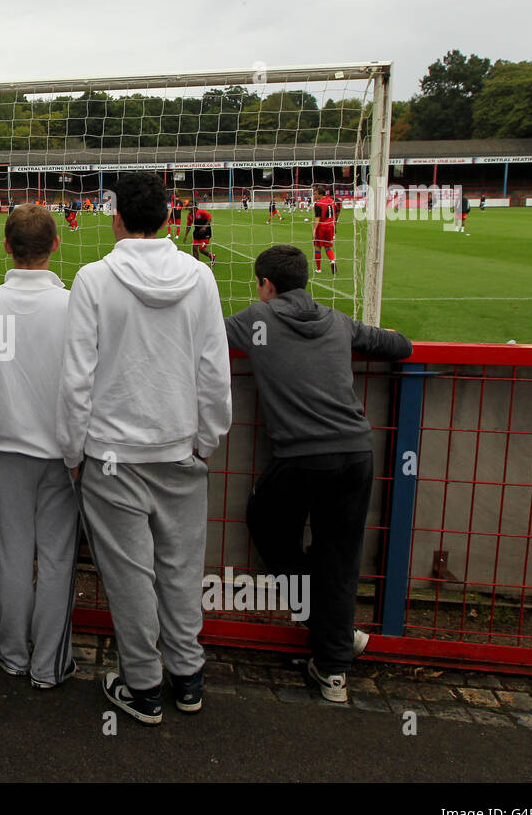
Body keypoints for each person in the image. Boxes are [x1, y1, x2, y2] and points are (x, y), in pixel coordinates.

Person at [58, 171, 232, 725]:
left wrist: (72, 450)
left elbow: (76, 376)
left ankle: (145, 685)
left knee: (130, 576)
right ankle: (187, 676)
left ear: (116, 218)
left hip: (112, 453)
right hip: (178, 447)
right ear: (167, 218)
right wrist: (207, 439)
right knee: (180, 569)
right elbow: (214, 369)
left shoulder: (93, 278)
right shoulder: (200, 278)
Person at [225, 244, 412, 703]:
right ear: (305, 280)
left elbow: (198, 337)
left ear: (266, 285)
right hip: (354, 452)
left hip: (302, 457)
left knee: (267, 526)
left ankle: (331, 633)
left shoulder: (256, 320)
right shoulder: (336, 321)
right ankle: (333, 661)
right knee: (339, 558)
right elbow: (400, 346)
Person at [0, 204, 78, 689]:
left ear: (6, 246)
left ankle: (12, 652)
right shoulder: (74, 305)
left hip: (7, 446)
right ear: (55, 244)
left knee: (13, 555)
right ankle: (49, 664)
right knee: (56, 557)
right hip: (62, 452)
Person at [313, 188, 340, 274]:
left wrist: (314, 229)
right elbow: (337, 211)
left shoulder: (318, 204)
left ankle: (318, 269)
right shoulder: (332, 201)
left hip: (321, 227)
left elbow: (317, 218)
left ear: (320, 194)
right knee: (328, 247)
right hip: (330, 227)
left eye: (315, 194)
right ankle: (332, 261)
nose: (314, 195)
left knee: (317, 247)